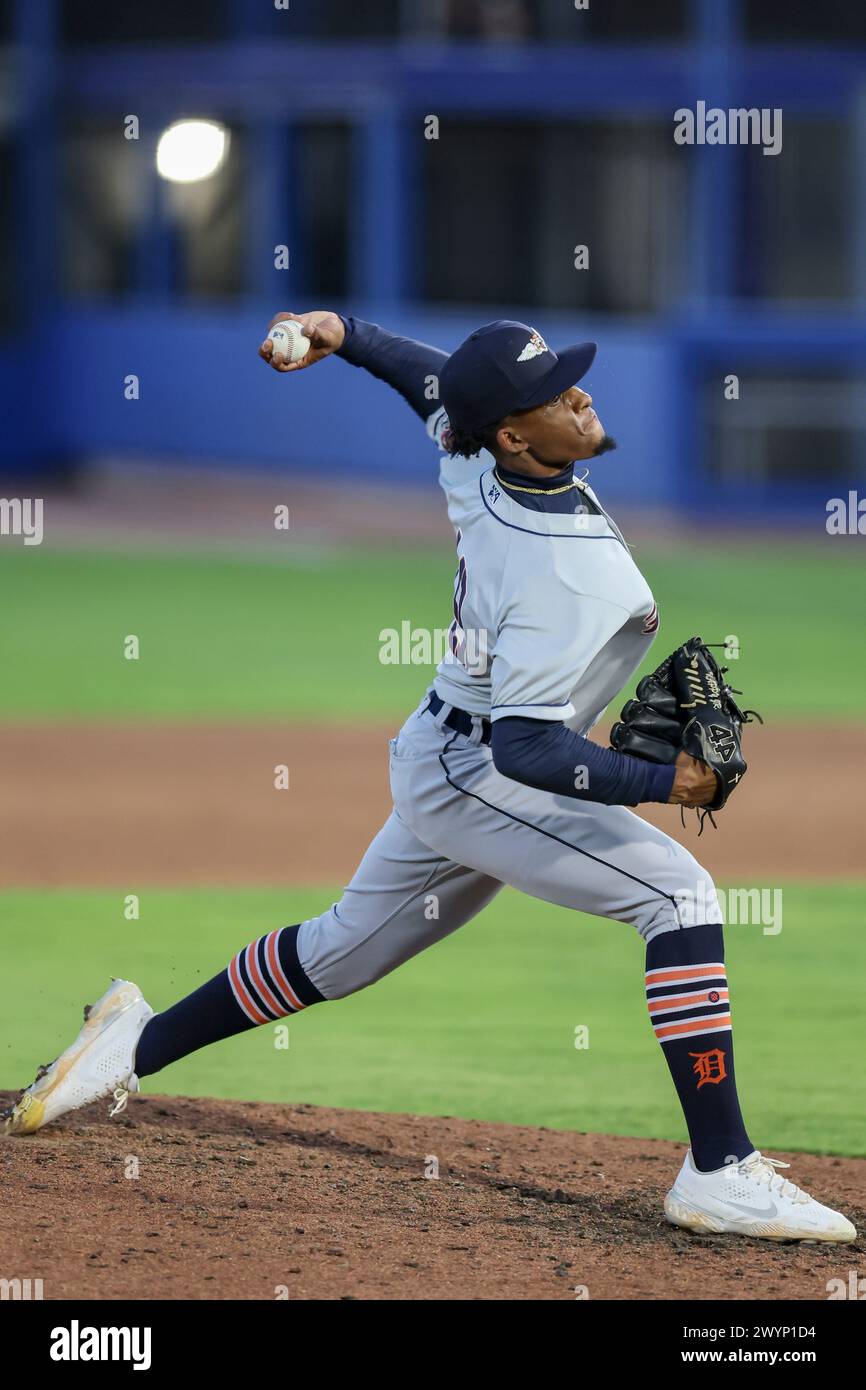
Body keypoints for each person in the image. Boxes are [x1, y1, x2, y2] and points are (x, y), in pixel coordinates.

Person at [4, 311, 854, 1245]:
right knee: (680, 897)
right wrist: (665, 786)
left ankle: (131, 1040)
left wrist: (346, 331)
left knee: (341, 951)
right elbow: (526, 752)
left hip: (441, 748)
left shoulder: (475, 460)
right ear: (516, 433)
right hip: (481, 776)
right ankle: (721, 1170)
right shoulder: (562, 578)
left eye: (569, 378)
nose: (580, 395)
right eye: (552, 394)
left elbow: (437, 383)